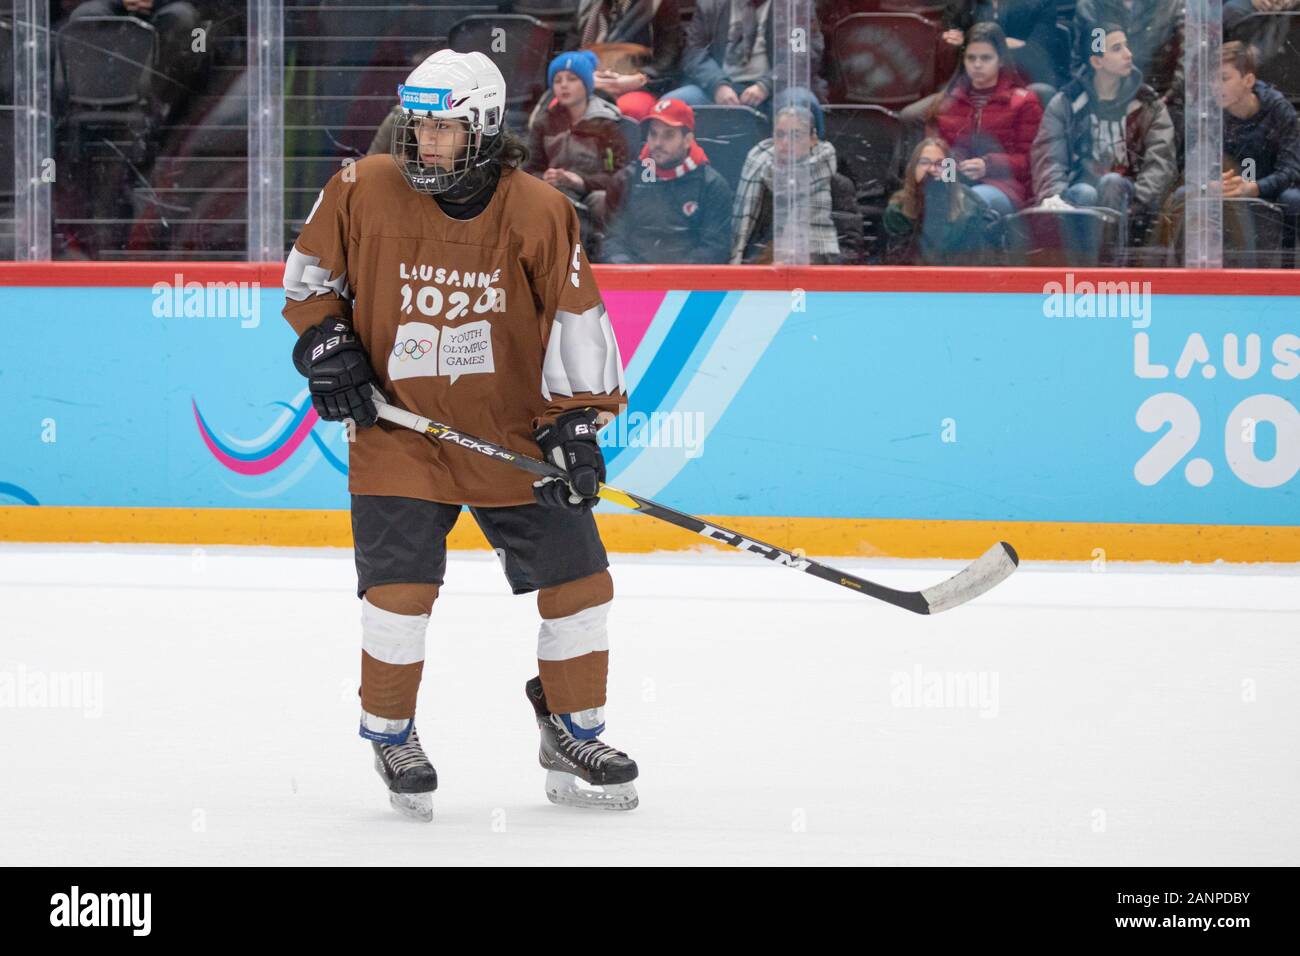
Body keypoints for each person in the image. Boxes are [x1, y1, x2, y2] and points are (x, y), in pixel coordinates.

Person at [283, 50, 638, 820]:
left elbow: (575, 321)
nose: (424, 142)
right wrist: (327, 346)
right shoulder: (361, 187)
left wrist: (576, 425)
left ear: (482, 127)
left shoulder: (541, 210)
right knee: (400, 594)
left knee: (582, 587)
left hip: (511, 437)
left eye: (442, 128)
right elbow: (307, 285)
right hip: (400, 434)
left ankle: (571, 728)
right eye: (417, 125)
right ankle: (392, 733)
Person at [1031, 23, 1177, 251]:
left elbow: (1161, 160)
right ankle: (1083, 265)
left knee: (1112, 183)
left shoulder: (1148, 103)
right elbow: (1049, 157)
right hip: (1079, 194)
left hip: (1134, 203)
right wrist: (1055, 197)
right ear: (1096, 62)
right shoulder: (1067, 103)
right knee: (1084, 192)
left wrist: (1139, 201)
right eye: (1117, 49)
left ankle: (1107, 263)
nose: (1128, 54)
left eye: (1126, 46)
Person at [925, 22, 1044, 217]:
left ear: (1001, 60)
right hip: (955, 184)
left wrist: (988, 165)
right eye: (971, 58)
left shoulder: (1023, 102)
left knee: (968, 203)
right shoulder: (949, 102)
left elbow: (1030, 162)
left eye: (986, 58)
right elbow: (939, 153)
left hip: (1005, 187)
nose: (977, 65)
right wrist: (949, 168)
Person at [730, 88, 863, 263]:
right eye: (780, 134)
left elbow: (850, 249)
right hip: (760, 272)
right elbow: (748, 241)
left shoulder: (836, 184)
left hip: (816, 279)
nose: (785, 143)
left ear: (813, 138)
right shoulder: (759, 172)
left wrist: (809, 261)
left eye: (796, 135)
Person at [601, 97, 734, 263]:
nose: (657, 143)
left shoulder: (712, 185)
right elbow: (613, 241)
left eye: (668, 135)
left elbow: (715, 249)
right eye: (653, 134)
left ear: (687, 140)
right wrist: (631, 272)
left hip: (687, 284)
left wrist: (672, 279)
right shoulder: (626, 180)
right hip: (634, 280)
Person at [525, 51, 630, 257]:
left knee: (602, 200)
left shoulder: (608, 123)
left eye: (572, 79)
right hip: (556, 193)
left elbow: (620, 176)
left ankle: (604, 255)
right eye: (557, 80)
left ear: (587, 84)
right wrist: (543, 179)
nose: (564, 85)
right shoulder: (543, 123)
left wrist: (580, 181)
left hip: (593, 193)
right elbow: (529, 170)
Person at [667, 0, 830, 112]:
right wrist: (717, 84)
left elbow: (801, 54)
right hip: (717, 90)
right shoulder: (710, 3)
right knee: (670, 106)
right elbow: (694, 51)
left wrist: (766, 85)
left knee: (801, 103)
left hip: (777, 90)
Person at [883, 137, 1001, 265]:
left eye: (940, 164)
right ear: (913, 169)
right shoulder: (897, 211)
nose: (932, 169)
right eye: (924, 163)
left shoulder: (972, 210)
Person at [565, 0, 685, 121]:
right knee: (559, 105)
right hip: (591, 82)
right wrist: (586, 77)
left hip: (638, 83)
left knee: (629, 109)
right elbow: (569, 55)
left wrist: (639, 80)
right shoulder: (586, 5)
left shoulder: (660, 3)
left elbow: (668, 56)